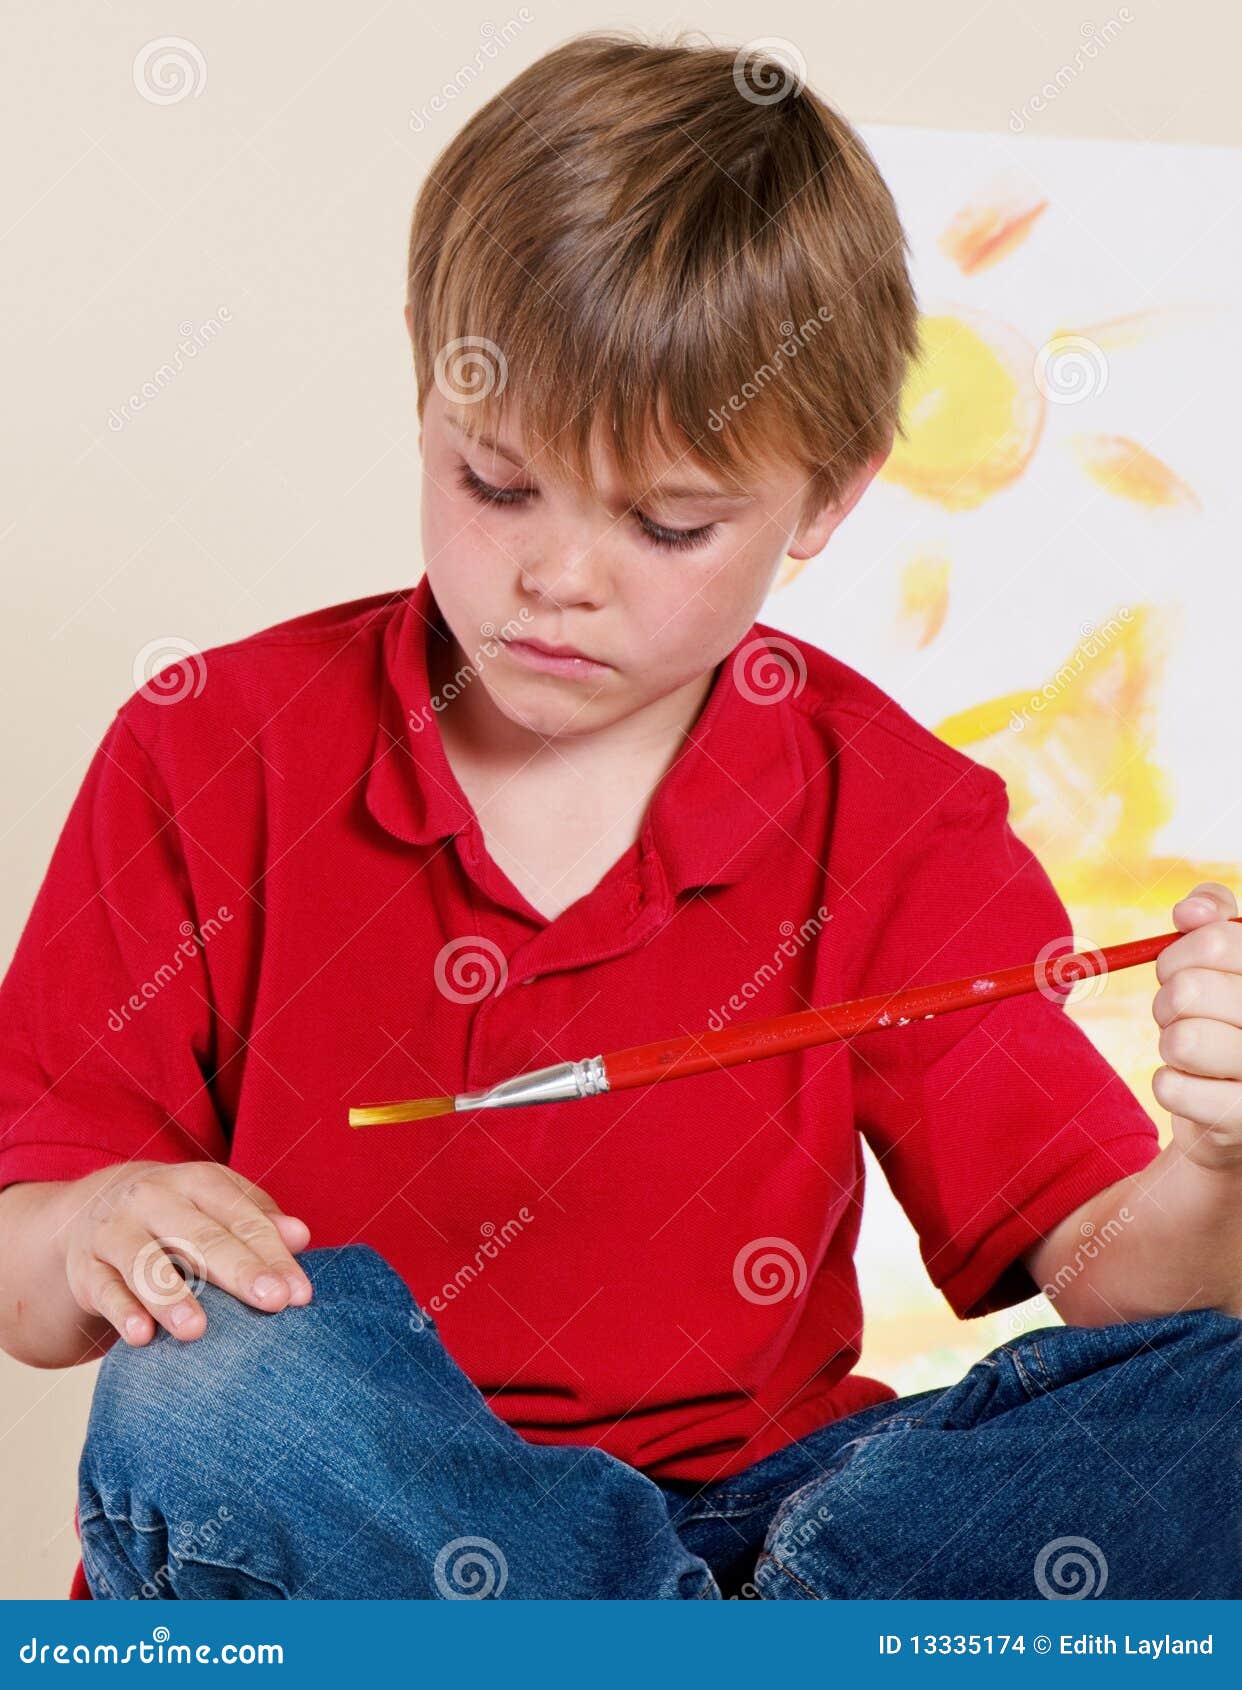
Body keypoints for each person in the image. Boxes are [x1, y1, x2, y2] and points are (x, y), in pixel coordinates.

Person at [0, 32, 1238, 1601]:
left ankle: (652, 1635)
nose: (556, 580)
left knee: (1221, 1395)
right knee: (205, 1379)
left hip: (784, 1518)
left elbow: (1116, 1289)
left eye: (665, 521)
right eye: (497, 482)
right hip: (360, 1514)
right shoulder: (209, 745)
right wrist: (91, 1222)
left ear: (831, 498)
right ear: (426, 381)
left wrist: (1215, 1161)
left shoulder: (890, 808)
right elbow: (32, 1286)